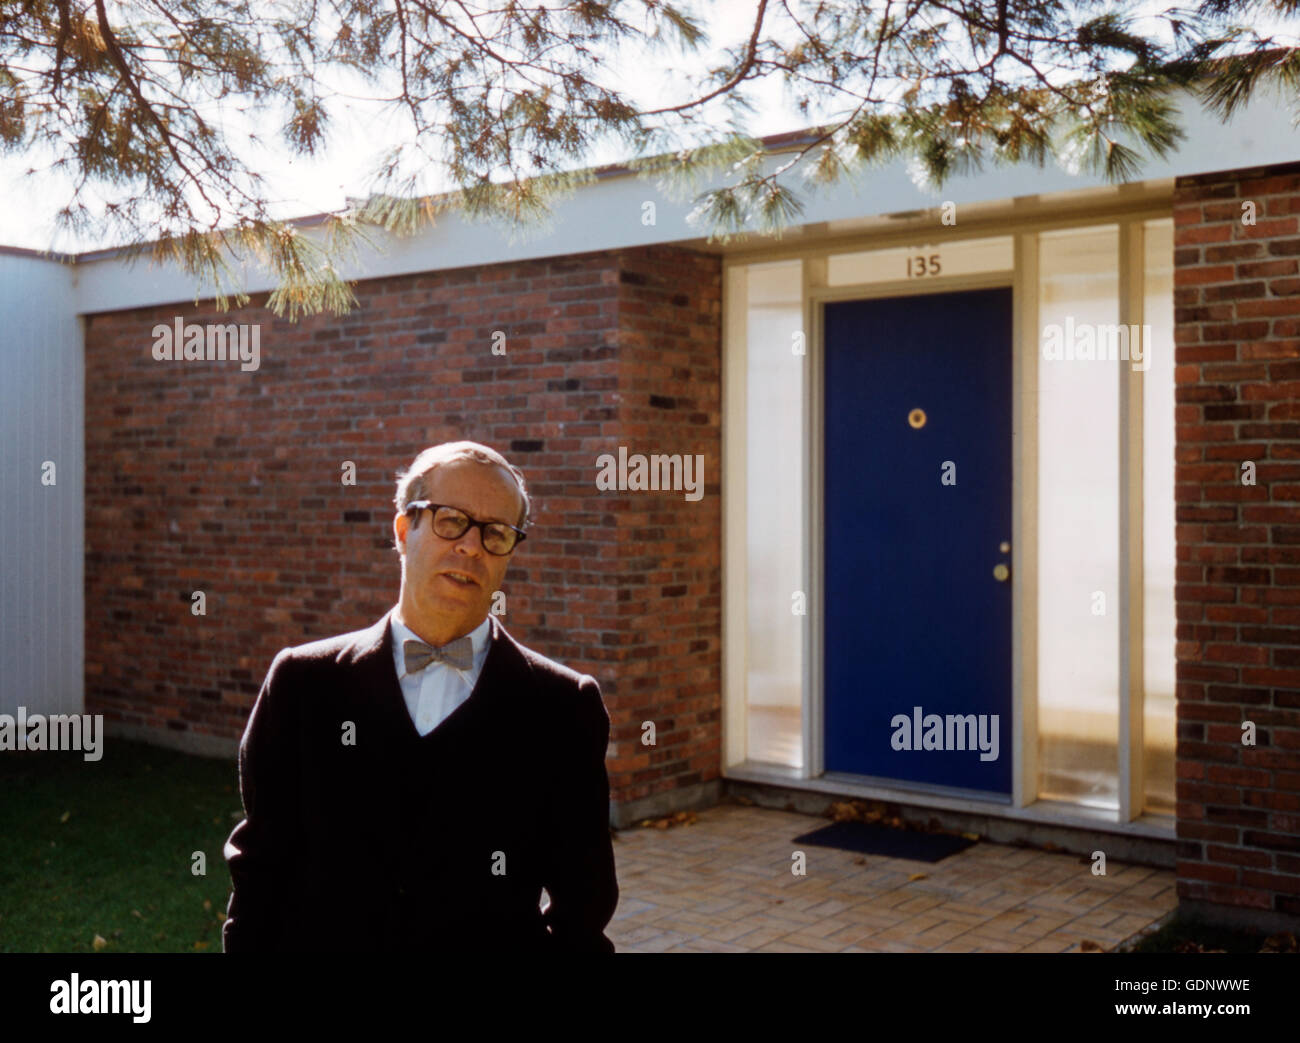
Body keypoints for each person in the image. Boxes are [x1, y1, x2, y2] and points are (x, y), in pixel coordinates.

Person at [221, 441, 619, 952]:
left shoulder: (563, 708)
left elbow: (583, 913)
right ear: (404, 530)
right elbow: (260, 873)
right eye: (451, 520)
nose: (472, 547)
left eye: (496, 533)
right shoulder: (302, 684)